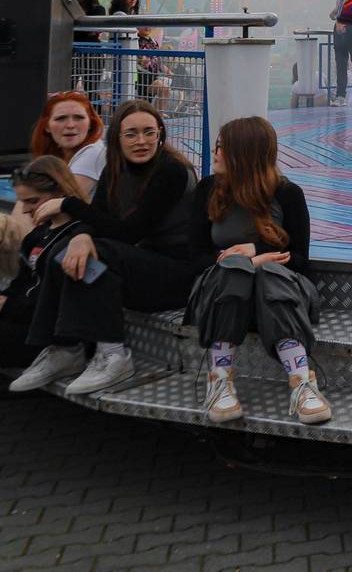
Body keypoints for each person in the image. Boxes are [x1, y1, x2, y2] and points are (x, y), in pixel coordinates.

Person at [9, 101, 203, 396]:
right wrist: (81, 237)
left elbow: (129, 233)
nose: (142, 141)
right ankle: (64, 347)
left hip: (178, 275)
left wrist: (68, 204)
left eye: (149, 132)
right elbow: (100, 217)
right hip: (143, 267)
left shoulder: (172, 171)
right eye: (131, 134)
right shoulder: (116, 169)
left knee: (104, 254)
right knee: (65, 250)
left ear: (161, 134)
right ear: (117, 139)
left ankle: (114, 353)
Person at [186, 116, 330, 426]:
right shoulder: (207, 190)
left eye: (222, 147)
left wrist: (259, 254)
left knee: (269, 274)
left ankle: (301, 382)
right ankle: (220, 379)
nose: (215, 152)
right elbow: (194, 255)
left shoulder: (287, 193)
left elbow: (301, 260)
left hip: (279, 295)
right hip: (223, 294)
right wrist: (239, 262)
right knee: (235, 269)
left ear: (244, 154)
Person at [0, 157, 89, 368]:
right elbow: (22, 284)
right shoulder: (39, 234)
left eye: (32, 201)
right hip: (25, 323)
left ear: (58, 195)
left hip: (54, 338)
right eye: (22, 201)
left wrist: (9, 305)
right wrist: (6, 299)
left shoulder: (78, 238)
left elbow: (68, 304)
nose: (24, 210)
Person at [28, 91, 107, 197]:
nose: (70, 125)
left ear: (91, 124)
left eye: (79, 118)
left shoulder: (94, 152)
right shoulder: (56, 154)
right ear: (47, 126)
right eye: (61, 118)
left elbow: (60, 204)